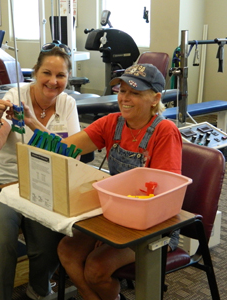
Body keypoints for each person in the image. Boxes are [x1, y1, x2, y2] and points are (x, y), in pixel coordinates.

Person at [57, 63, 183, 300]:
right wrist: (36, 135)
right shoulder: (112, 123)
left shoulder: (165, 131)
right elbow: (65, 149)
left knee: (96, 268)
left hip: (155, 227)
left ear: (155, 98)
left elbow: (165, 197)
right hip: (114, 214)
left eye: (135, 93)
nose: (125, 98)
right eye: (122, 91)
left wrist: (111, 233)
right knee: (67, 250)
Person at [0, 42, 81, 300]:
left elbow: (70, 154)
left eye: (60, 75)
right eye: (47, 73)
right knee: (0, 240)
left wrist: (34, 122)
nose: (53, 81)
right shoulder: (15, 97)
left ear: (68, 78)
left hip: (41, 186)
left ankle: (38, 291)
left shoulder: (67, 105)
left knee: (52, 239)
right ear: (35, 72)